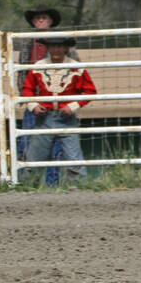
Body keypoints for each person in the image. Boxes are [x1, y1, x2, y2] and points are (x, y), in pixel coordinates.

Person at [22, 36, 96, 185]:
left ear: (66, 48)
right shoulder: (38, 66)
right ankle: (28, 187)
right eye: (53, 46)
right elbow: (27, 89)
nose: (56, 50)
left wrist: (73, 106)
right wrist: (33, 105)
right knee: (35, 156)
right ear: (48, 48)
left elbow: (90, 91)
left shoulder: (76, 67)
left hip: (66, 118)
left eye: (60, 46)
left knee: (73, 156)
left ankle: (78, 187)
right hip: (44, 117)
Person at [17, 5, 79, 184]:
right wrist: (28, 100)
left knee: (57, 145)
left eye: (44, 17)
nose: (40, 21)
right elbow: (22, 72)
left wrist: (70, 100)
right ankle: (29, 183)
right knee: (28, 143)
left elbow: (76, 70)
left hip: (59, 102)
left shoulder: (63, 42)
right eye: (37, 18)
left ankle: (53, 183)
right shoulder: (27, 42)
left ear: (51, 21)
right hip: (35, 103)